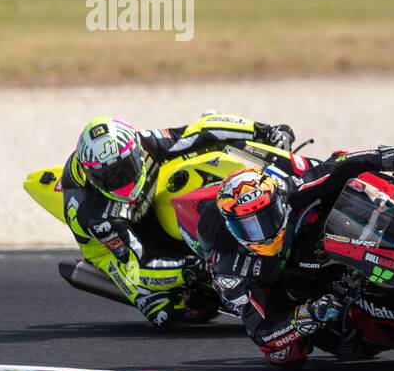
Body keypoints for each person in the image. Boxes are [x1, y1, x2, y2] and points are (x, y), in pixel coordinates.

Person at [196, 143, 394, 368]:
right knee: (287, 356)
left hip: (325, 246)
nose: (260, 233)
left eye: (264, 219)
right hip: (287, 288)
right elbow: (262, 334)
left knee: (355, 184)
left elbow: (340, 164)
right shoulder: (231, 269)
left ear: (279, 202)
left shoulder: (291, 191)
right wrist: (307, 315)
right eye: (247, 227)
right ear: (231, 228)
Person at [61, 113, 294, 327]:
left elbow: (202, 129)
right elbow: (139, 269)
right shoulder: (98, 217)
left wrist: (263, 131)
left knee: (206, 152)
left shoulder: (146, 144)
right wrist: (192, 267)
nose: (119, 182)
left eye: (123, 170)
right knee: (165, 312)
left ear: (135, 152)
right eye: (106, 178)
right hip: (110, 250)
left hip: (148, 199)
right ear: (91, 175)